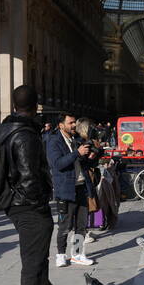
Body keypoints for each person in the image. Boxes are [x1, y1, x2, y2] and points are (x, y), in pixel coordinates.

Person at [0, 84, 71, 285]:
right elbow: (29, 178)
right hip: (28, 206)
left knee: (38, 258)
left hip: (18, 204)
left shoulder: (8, 129)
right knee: (32, 262)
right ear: (36, 105)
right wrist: (38, 205)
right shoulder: (24, 135)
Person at [45, 112, 99, 267]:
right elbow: (58, 164)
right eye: (70, 123)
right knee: (65, 225)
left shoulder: (76, 139)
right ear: (61, 125)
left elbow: (82, 162)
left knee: (81, 224)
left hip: (82, 186)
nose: (74, 125)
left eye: (74, 122)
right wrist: (77, 153)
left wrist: (90, 156)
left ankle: (77, 254)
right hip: (65, 189)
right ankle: (61, 254)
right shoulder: (53, 141)